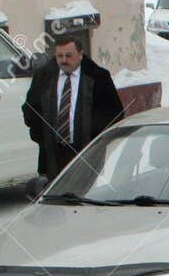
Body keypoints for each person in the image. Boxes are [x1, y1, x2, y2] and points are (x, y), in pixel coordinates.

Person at [22, 33, 124, 182]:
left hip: (86, 151)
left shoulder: (98, 77)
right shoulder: (44, 77)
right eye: (59, 56)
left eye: (69, 55)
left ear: (81, 54)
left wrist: (96, 141)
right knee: (54, 199)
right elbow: (30, 109)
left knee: (83, 197)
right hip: (52, 153)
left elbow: (115, 113)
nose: (64, 60)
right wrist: (41, 137)